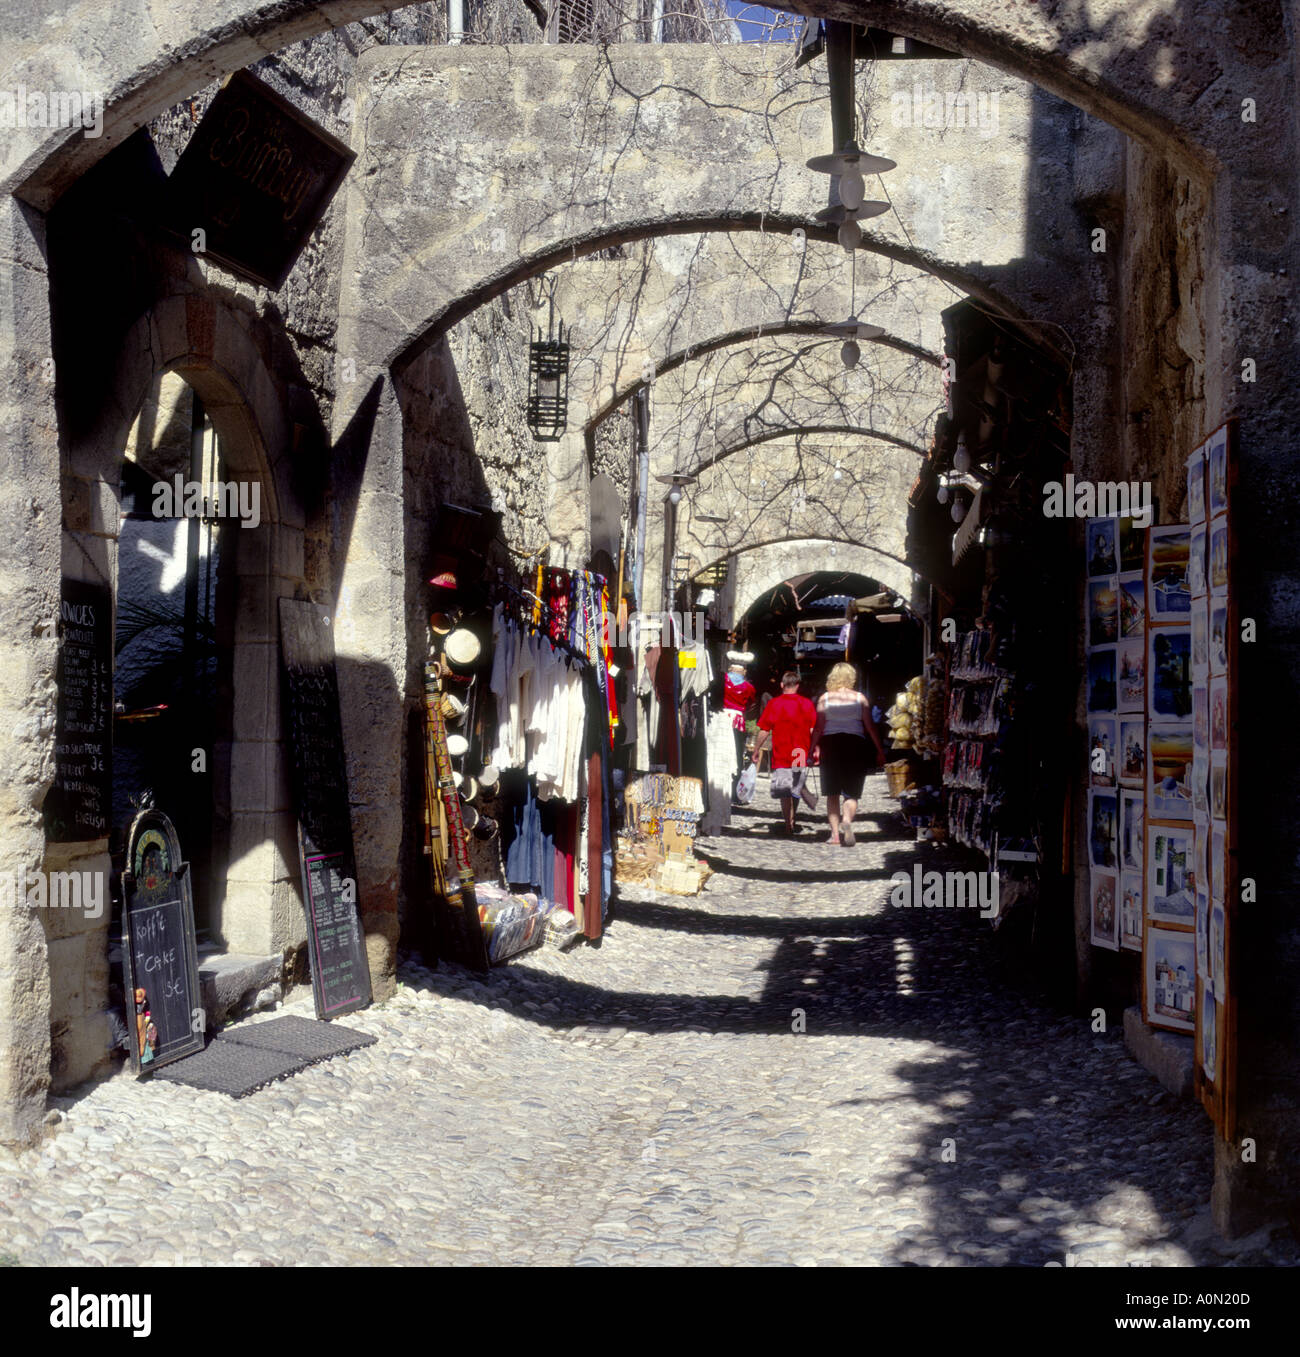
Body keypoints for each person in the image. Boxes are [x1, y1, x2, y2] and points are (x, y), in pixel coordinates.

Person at [809, 662, 886, 846]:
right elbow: (870, 727)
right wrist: (880, 750)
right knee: (852, 792)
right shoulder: (860, 698)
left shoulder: (825, 698)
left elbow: (819, 727)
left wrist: (811, 748)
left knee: (832, 792)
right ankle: (847, 821)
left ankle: (835, 835)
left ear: (832, 677)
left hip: (831, 744)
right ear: (851, 678)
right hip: (855, 744)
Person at [751, 670, 816, 835]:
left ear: (782, 685)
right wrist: (815, 749)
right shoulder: (806, 704)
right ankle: (793, 819)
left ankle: (788, 823)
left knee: (784, 790)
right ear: (798, 686)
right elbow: (813, 729)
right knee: (796, 786)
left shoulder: (774, 704)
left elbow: (765, 730)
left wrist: (756, 749)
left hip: (781, 752)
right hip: (800, 751)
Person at [722, 661, 756, 803]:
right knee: (736, 755)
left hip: (721, 719)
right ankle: (734, 791)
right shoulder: (749, 687)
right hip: (738, 722)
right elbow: (751, 706)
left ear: (730, 669)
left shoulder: (722, 681)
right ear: (744, 671)